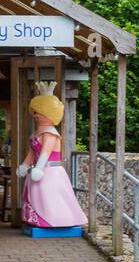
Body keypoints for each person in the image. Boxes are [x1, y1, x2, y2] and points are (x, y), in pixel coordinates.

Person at [16, 82, 88, 230]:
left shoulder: (50, 133)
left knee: (50, 197)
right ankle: (38, 220)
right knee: (36, 195)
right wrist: (25, 165)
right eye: (34, 112)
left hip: (50, 172)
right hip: (39, 171)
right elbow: (32, 152)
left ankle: (55, 220)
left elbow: (45, 152)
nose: (35, 116)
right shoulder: (37, 133)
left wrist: (39, 168)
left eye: (39, 112)